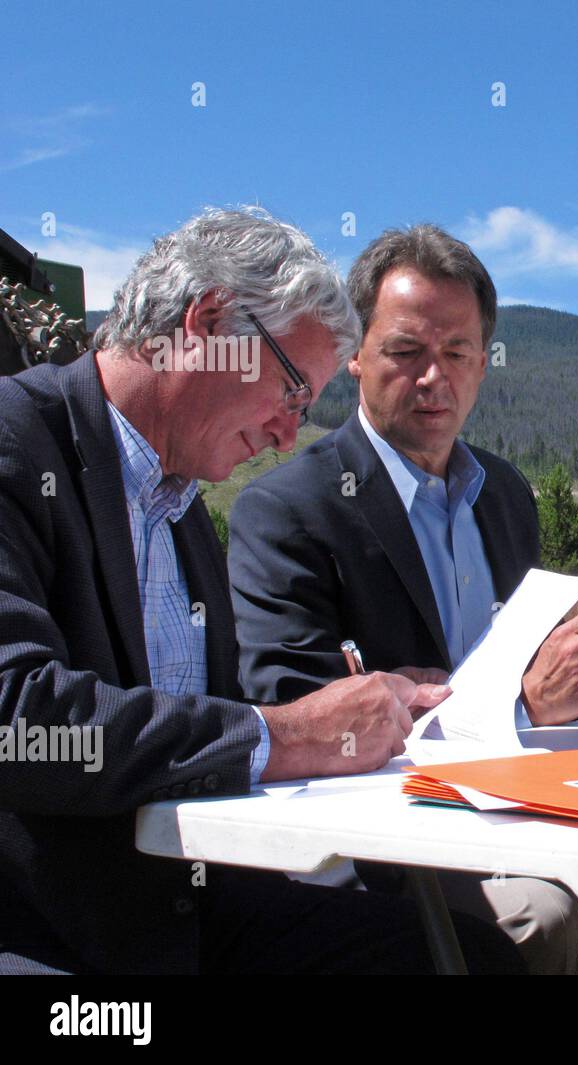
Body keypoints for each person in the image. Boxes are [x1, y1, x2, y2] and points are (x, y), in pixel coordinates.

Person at [0, 207, 527, 974]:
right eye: (288, 391)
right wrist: (284, 733)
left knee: (469, 961)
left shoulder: (178, 501)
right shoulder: (17, 440)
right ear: (208, 322)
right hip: (51, 934)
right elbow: (17, 716)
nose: (288, 435)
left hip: (182, 911)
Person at [228, 224, 578, 974]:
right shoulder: (289, 510)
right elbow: (299, 712)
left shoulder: (503, 494)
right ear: (355, 358)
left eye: (459, 353)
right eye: (406, 352)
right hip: (394, 842)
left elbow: (544, 660)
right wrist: (520, 707)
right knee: (540, 918)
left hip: (533, 808)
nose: (436, 376)